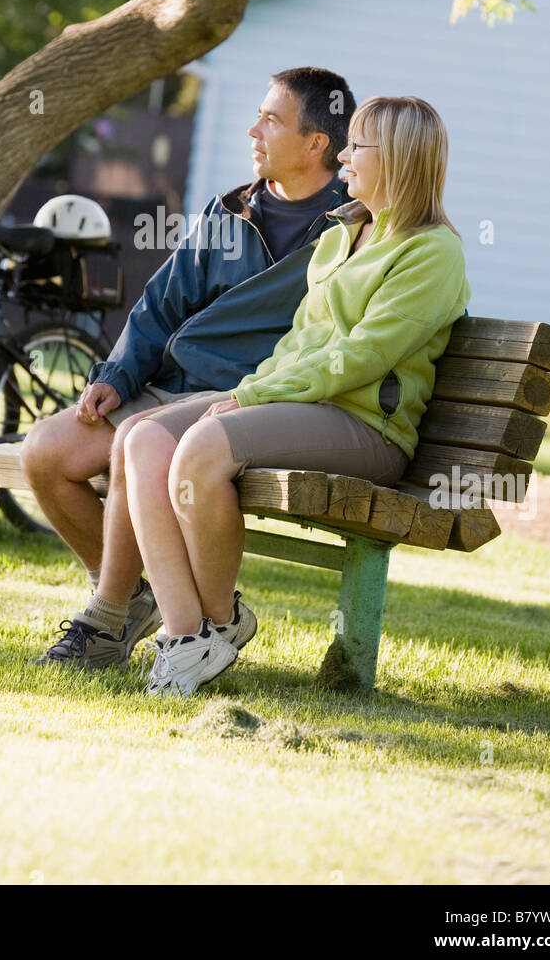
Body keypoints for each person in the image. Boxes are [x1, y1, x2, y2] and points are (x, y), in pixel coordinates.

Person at [121, 96, 471, 698]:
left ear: (398, 157)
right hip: (302, 407)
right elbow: (299, 343)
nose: (344, 155)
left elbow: (362, 358)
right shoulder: (342, 236)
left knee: (202, 448)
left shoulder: (432, 252)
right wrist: (253, 392)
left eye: (358, 145)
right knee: (143, 437)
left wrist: (252, 395)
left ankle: (219, 624)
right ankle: (188, 636)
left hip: (367, 428)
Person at [21, 67, 356, 668]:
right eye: (257, 116)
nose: (253, 130)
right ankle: (132, 597)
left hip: (246, 403)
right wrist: (117, 374)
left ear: (316, 143)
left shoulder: (351, 229)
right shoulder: (230, 211)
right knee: (45, 452)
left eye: (271, 120)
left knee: (134, 442)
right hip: (171, 387)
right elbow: (161, 304)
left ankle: (106, 620)